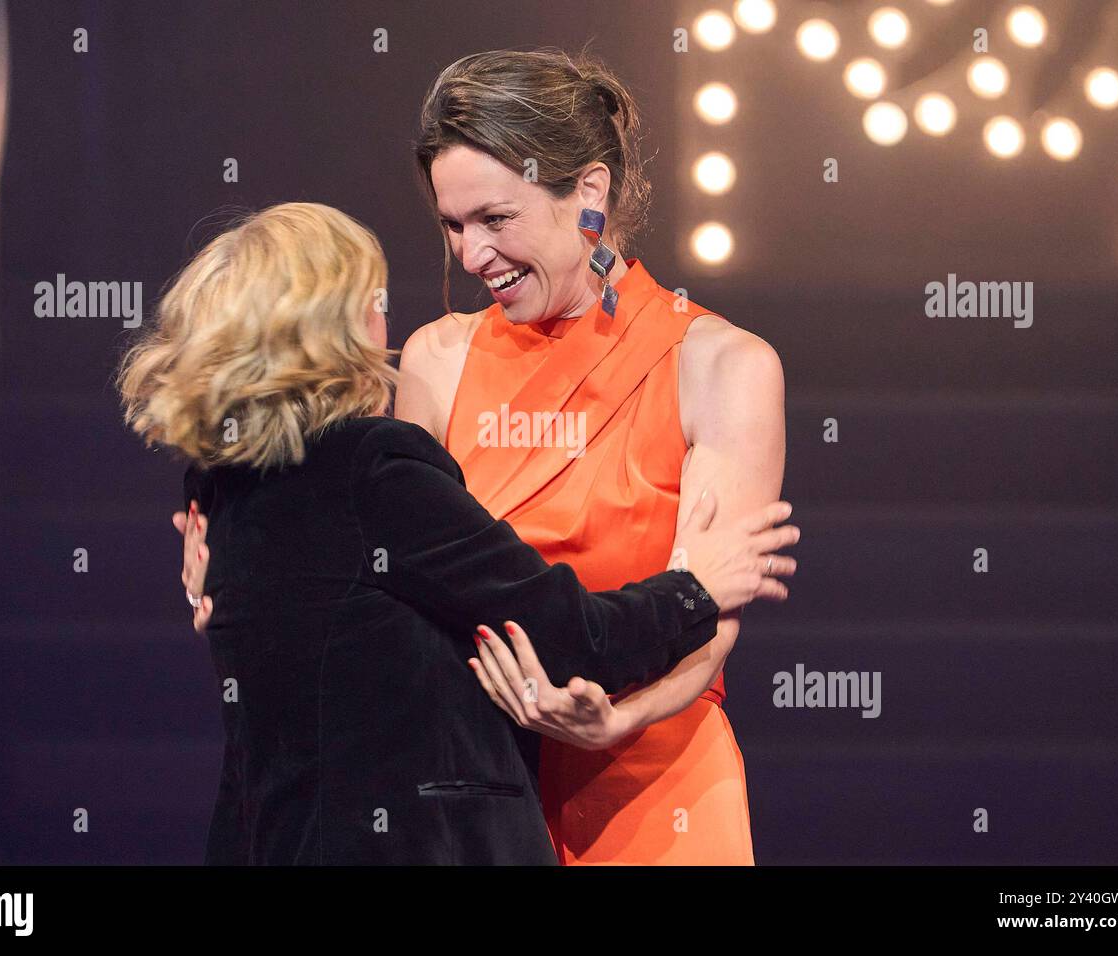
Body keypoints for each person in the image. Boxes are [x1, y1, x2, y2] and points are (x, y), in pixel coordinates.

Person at [125, 201, 797, 864]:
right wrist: (695, 589)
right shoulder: (372, 468)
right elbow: (573, 638)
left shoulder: (221, 493)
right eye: (372, 300)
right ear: (337, 325)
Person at [397, 48, 791, 864]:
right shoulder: (436, 360)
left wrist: (617, 718)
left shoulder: (721, 366)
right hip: (478, 796)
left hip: (658, 792)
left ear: (588, 193)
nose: (472, 257)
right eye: (453, 226)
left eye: (496, 220)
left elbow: (709, 617)